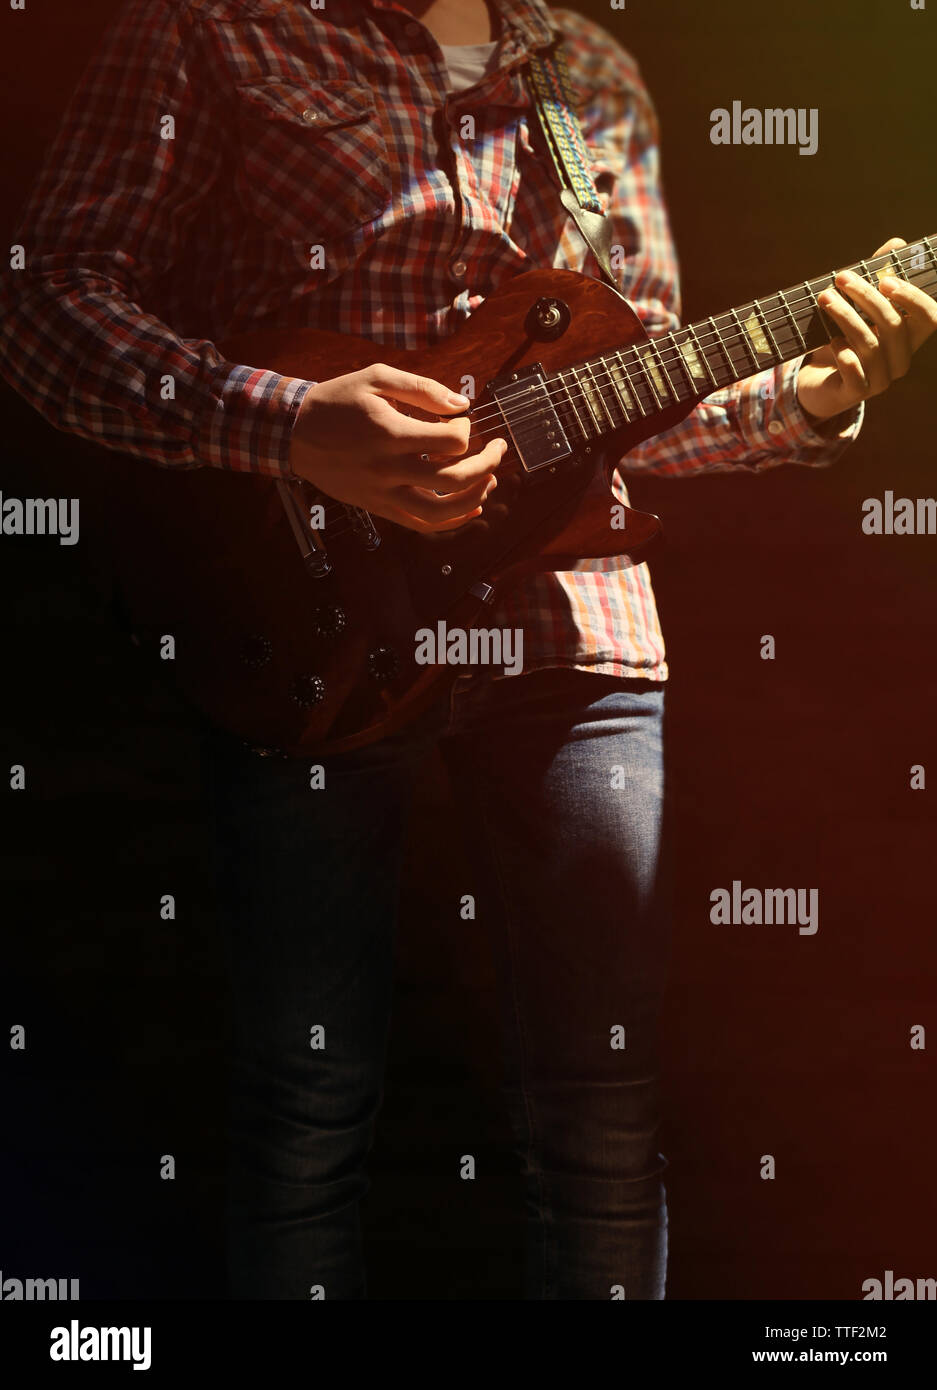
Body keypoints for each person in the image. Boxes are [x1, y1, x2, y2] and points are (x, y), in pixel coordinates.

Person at [1, 0, 935, 1300]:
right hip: (303, 613)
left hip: (574, 608)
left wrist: (816, 395)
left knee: (601, 1110)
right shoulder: (212, 31)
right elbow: (46, 303)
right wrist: (285, 426)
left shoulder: (591, 74)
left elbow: (638, 398)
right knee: (309, 1096)